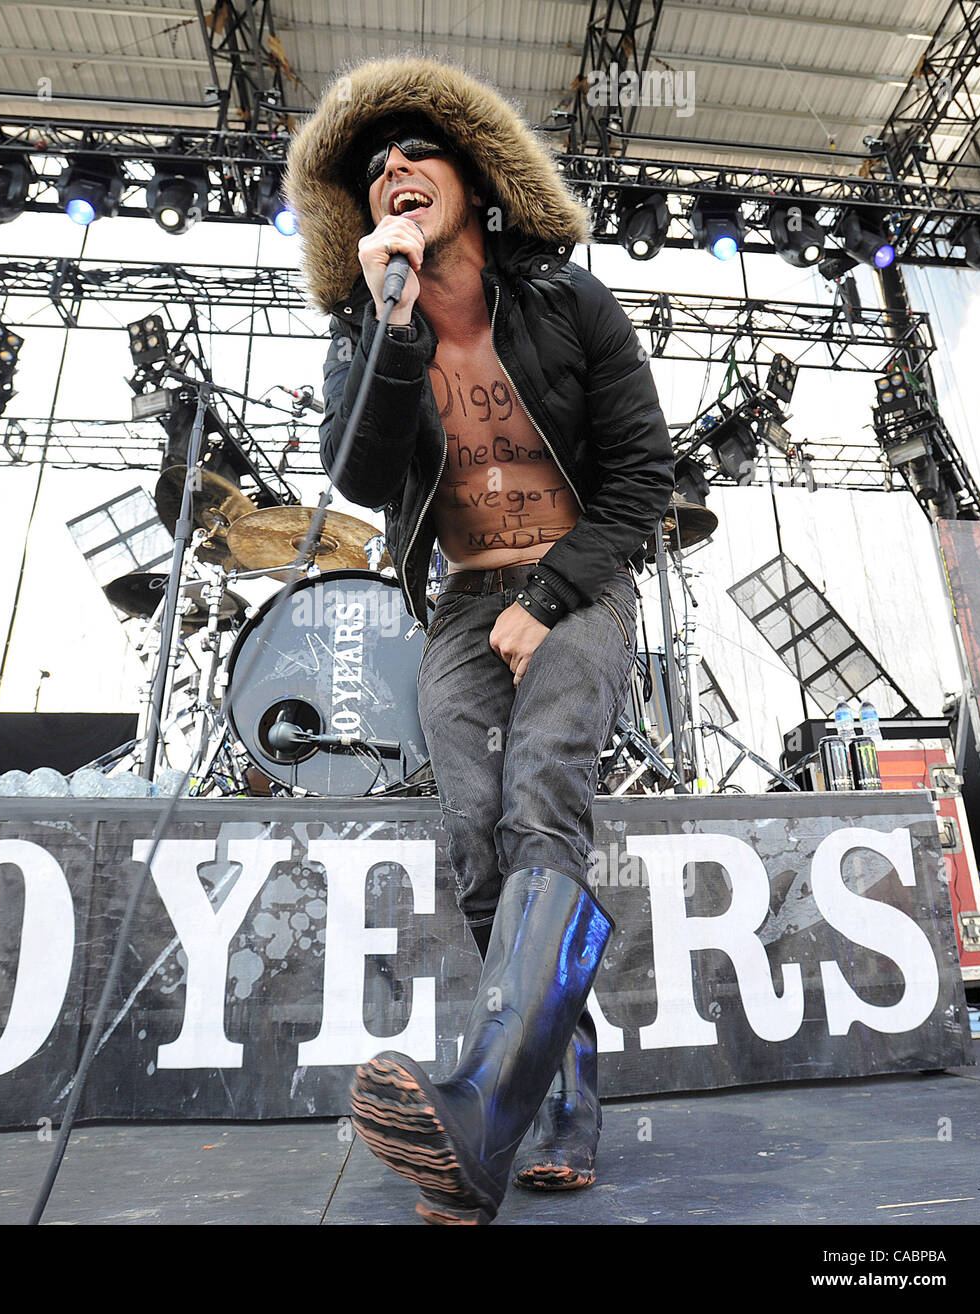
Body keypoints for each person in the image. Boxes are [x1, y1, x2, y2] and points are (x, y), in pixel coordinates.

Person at [286, 55, 674, 1225]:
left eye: (414, 151)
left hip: (578, 578)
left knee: (541, 794)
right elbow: (356, 472)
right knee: (476, 845)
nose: (391, 170)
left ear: (474, 177)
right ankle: (552, 1105)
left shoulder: (569, 302)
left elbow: (644, 478)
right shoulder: (370, 324)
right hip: (459, 598)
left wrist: (546, 600)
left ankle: (481, 1112)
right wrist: (389, 321)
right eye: (372, 168)